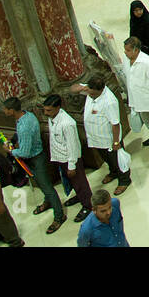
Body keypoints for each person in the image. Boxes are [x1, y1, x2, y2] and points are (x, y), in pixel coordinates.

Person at [3, 96, 64, 234]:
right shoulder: (27, 115)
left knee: (47, 187)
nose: (4, 111)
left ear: (12, 110)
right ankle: (47, 201)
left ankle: (59, 216)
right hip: (36, 155)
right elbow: (19, 135)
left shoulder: (24, 127)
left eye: (6, 109)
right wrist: (13, 140)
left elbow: (24, 152)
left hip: (35, 158)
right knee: (41, 184)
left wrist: (10, 151)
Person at [69, 76, 131, 193]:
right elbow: (72, 89)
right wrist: (82, 88)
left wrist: (116, 142)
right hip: (96, 138)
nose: (90, 95)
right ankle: (113, 172)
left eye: (93, 94)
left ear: (100, 90)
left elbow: (115, 123)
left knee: (117, 160)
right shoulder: (89, 90)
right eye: (89, 93)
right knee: (107, 159)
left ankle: (124, 180)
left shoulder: (109, 101)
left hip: (109, 139)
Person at [41, 94, 93, 222]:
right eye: (45, 110)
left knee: (80, 182)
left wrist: (71, 165)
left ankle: (88, 205)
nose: (46, 113)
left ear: (58, 107)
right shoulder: (52, 117)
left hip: (70, 159)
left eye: (49, 110)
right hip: (60, 157)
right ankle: (80, 197)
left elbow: (72, 146)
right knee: (72, 182)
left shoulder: (67, 123)